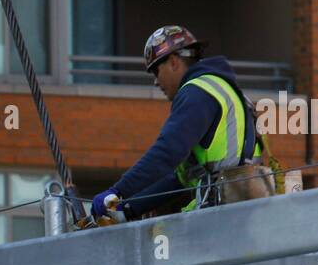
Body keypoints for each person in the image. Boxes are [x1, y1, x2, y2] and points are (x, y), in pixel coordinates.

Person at [91, 25, 275, 220]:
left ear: (173, 62)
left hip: (223, 214)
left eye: (156, 71)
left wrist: (118, 191)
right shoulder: (223, 89)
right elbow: (179, 178)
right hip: (245, 207)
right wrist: (129, 208)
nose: (155, 82)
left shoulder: (196, 92)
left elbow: (167, 152)